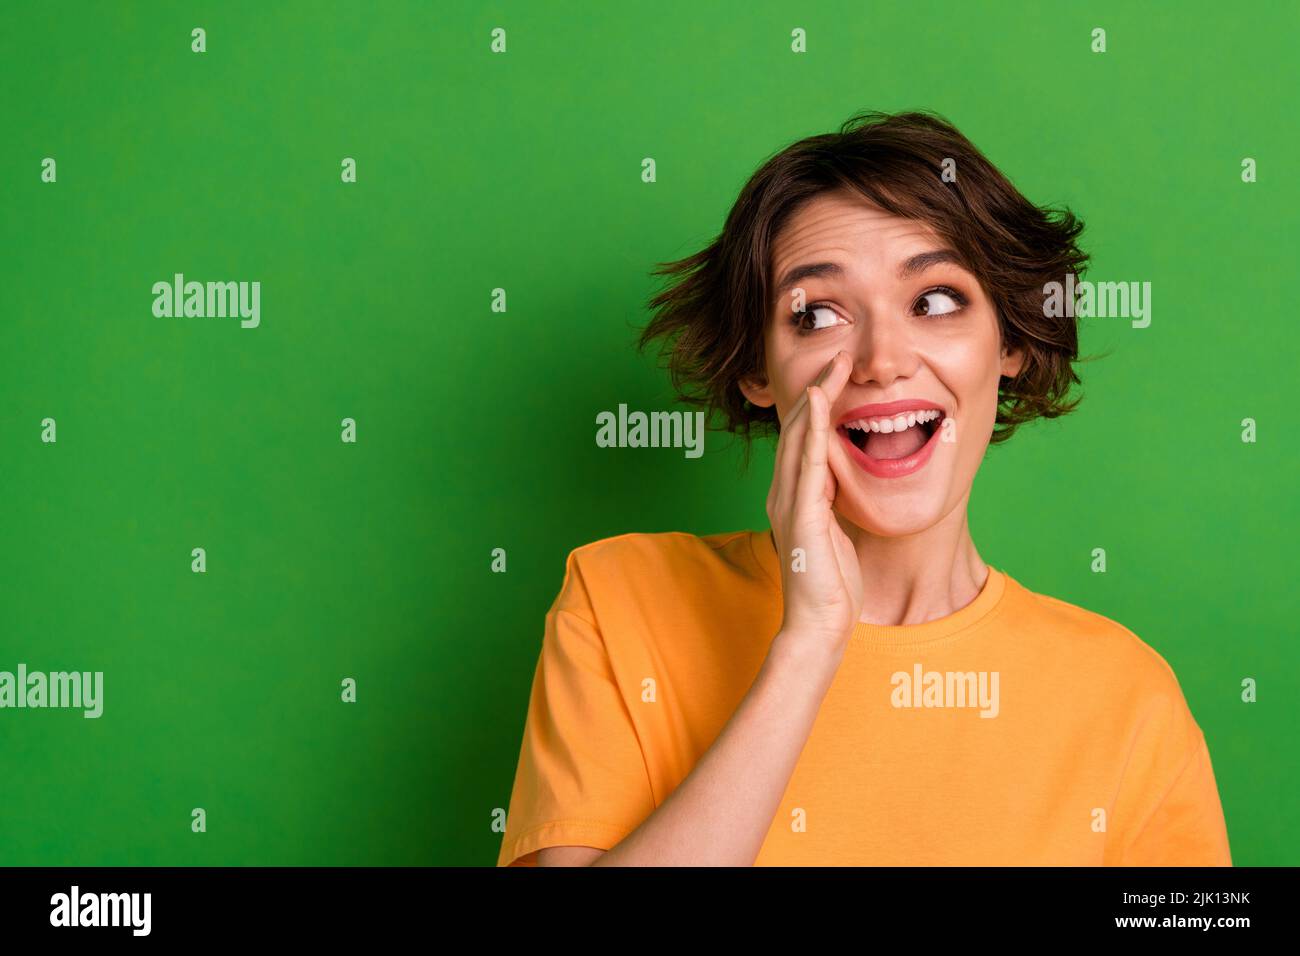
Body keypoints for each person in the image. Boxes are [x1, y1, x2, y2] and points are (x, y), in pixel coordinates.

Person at [496, 110, 1232, 867]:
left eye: (935, 301)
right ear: (758, 371)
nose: (882, 359)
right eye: (815, 315)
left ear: (1008, 340)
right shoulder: (621, 604)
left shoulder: (1127, 697)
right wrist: (809, 643)